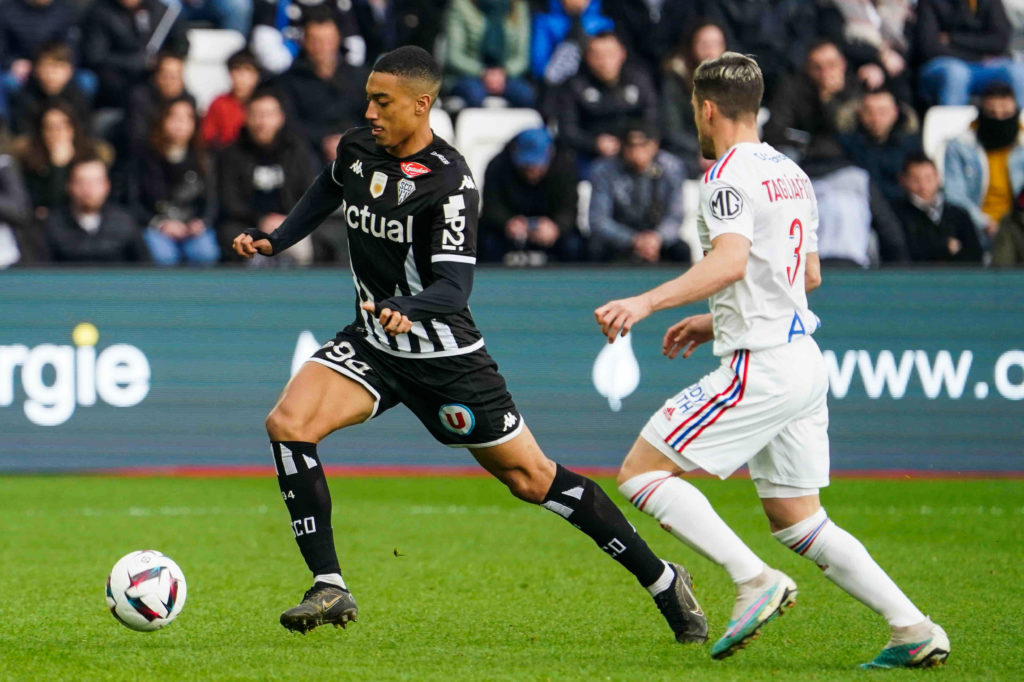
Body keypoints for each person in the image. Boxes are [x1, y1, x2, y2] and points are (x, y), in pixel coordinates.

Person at [230, 46, 707, 643]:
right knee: (288, 423)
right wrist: (277, 239)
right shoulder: (356, 148)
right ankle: (329, 584)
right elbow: (328, 189)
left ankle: (663, 579)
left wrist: (408, 307)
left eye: (383, 102)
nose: (370, 113)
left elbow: (455, 287)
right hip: (375, 345)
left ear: (421, 104)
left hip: (444, 359)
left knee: (532, 479)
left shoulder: (450, 182)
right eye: (369, 99)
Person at [593, 52, 949, 669]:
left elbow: (731, 261)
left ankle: (753, 579)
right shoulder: (792, 173)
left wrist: (644, 301)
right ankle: (913, 629)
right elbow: (805, 276)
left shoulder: (726, 176)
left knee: (641, 474)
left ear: (706, 109)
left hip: (760, 365)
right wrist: (715, 319)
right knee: (798, 520)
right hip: (802, 359)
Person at [217, 86, 317, 264]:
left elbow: (309, 194)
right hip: (246, 224)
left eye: (269, 114)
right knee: (230, 237)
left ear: (280, 117)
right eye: (257, 115)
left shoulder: (297, 151)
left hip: (290, 223)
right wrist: (261, 220)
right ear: (246, 117)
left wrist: (287, 222)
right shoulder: (231, 154)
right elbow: (229, 201)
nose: (263, 122)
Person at [556, 31, 659, 177]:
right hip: (591, 156)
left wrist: (637, 142)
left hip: (636, 149)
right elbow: (567, 130)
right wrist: (594, 143)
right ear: (587, 57)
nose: (604, 62)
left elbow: (652, 117)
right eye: (597, 56)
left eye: (610, 54)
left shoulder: (639, 79)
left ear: (622, 54)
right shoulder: (574, 86)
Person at [273, 7, 369, 160]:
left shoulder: (362, 77)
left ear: (338, 38)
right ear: (304, 41)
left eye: (328, 41)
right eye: (315, 41)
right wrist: (323, 141)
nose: (322, 48)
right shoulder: (287, 82)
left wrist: (350, 140)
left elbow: (373, 120)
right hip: (308, 156)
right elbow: (290, 124)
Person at [132, 98, 220, 266]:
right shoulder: (144, 157)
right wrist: (160, 224)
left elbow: (212, 201)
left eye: (187, 117)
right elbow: (134, 202)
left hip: (192, 228)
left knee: (205, 253)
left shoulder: (204, 158)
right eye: (174, 116)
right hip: (157, 226)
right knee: (163, 256)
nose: (180, 123)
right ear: (162, 120)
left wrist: (201, 222)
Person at [588, 121, 690, 263]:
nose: (637, 152)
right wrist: (633, 240)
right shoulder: (604, 170)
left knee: (682, 250)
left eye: (643, 145)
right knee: (594, 247)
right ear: (622, 146)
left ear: (654, 145)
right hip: (620, 235)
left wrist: (657, 238)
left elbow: (675, 215)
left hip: (657, 236)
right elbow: (599, 220)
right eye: (631, 146)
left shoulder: (671, 168)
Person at [479, 127, 581, 264]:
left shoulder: (565, 167)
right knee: (487, 241)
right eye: (526, 165)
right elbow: (491, 205)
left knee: (573, 245)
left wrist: (556, 227)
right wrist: (507, 222)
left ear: (550, 153)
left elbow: (569, 209)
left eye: (537, 165)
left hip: (551, 227)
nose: (531, 170)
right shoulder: (498, 166)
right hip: (507, 228)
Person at [943, 81, 1024, 245]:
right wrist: (985, 224)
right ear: (981, 114)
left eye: (1006, 114)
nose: (999, 119)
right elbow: (955, 196)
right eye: (992, 114)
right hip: (976, 231)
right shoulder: (959, 147)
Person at [11, 101, 115, 221]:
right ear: (42, 132)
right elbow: (40, 204)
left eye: (63, 125)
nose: (57, 133)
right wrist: (57, 168)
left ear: (73, 128)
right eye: (50, 127)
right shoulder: (29, 161)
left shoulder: (90, 155)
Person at [81, 0, 190, 108]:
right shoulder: (100, 13)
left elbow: (181, 44)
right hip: (119, 78)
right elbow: (95, 56)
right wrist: (133, 62)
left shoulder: (163, 12)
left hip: (156, 73)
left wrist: (162, 61)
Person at [916, 0, 1024, 106]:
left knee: (1017, 71)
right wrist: (978, 56)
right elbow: (931, 48)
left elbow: (999, 42)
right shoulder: (930, 2)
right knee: (957, 73)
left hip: (983, 66)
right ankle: (954, 117)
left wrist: (952, 38)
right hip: (943, 66)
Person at [43, 153, 148, 263]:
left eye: (96, 182)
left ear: (107, 186)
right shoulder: (52, 225)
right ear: (69, 186)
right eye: (81, 182)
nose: (89, 189)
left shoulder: (124, 222)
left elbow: (146, 266)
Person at [442, 0, 535, 109]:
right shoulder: (460, 4)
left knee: (525, 96)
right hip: (467, 74)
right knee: (474, 94)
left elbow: (522, 58)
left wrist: (503, 73)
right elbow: (454, 56)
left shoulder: (518, 6)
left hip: (506, 75)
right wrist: (483, 73)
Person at [661, 21, 727, 171]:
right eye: (704, 44)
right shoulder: (677, 79)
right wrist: (702, 150)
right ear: (692, 46)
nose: (710, 50)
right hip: (688, 152)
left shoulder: (734, 79)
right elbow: (672, 129)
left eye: (716, 44)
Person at [839, 88, 922, 208]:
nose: (876, 118)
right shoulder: (844, 144)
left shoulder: (911, 145)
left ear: (895, 112)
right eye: (869, 112)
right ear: (860, 113)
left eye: (883, 112)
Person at [895, 151, 982, 262]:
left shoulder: (959, 214)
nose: (923, 186)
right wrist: (944, 247)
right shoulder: (897, 215)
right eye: (915, 180)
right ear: (903, 180)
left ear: (938, 178)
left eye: (928, 179)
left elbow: (974, 254)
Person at [9, 40, 92, 137]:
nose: (52, 73)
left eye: (58, 67)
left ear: (70, 71)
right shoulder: (24, 99)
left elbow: (86, 134)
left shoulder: (78, 98)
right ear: (35, 70)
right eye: (46, 66)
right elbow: (22, 135)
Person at [201, 48, 261, 151]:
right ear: (230, 74)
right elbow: (208, 137)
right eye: (237, 70)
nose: (242, 76)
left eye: (247, 70)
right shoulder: (219, 103)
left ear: (256, 75)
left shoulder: (265, 105)